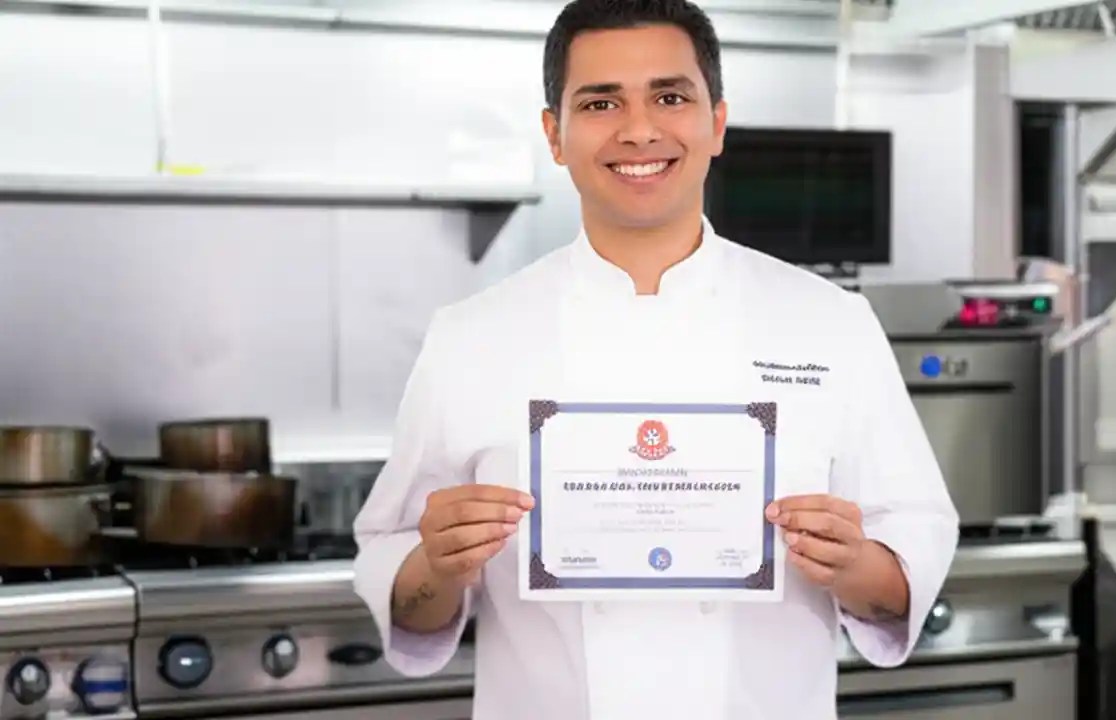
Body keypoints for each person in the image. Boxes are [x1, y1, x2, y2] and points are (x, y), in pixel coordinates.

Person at [351, 1, 959, 718]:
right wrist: (438, 567)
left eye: (670, 97)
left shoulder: (830, 324)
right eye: (601, 101)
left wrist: (853, 566)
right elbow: (406, 593)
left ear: (717, 122)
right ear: (555, 133)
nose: (639, 129)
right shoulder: (469, 337)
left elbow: (906, 563)